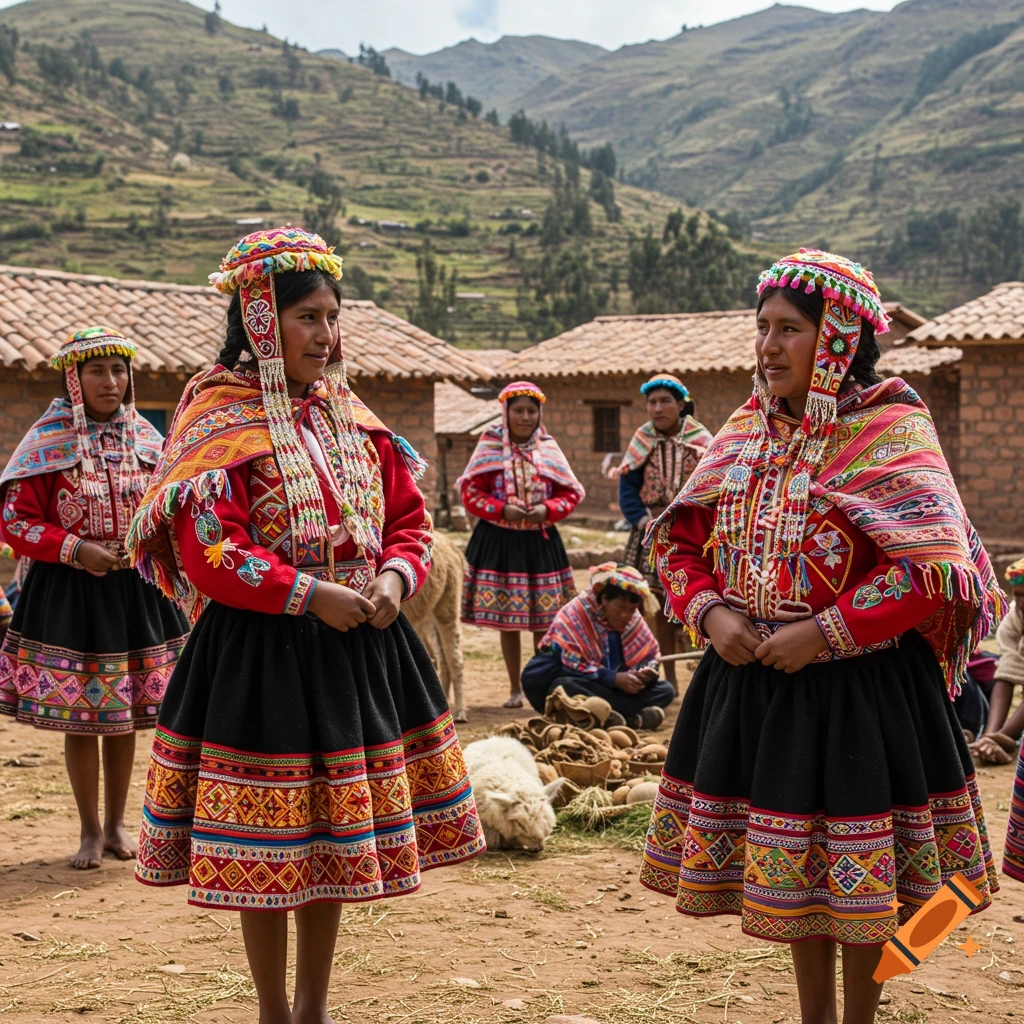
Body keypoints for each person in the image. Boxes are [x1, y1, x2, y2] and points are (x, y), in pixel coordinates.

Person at [129, 227, 485, 1024]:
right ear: (262, 318)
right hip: (261, 657)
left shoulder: (351, 417)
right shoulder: (218, 420)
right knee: (269, 846)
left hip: (357, 650)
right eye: (308, 318)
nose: (326, 335)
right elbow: (209, 548)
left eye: (333, 316)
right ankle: (271, 1010)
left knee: (329, 844)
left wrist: (396, 574)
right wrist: (308, 593)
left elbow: (410, 517)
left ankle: (315, 1008)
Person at [639, 249, 1003, 1024]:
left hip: (863, 690)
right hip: (757, 682)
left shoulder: (891, 430)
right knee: (801, 878)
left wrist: (826, 631)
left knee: (860, 881)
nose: (767, 346)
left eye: (788, 330)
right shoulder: (745, 432)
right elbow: (675, 543)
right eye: (761, 327)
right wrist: (709, 612)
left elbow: (932, 569)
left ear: (836, 337)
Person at [0, 327, 190, 869]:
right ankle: (87, 830)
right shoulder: (48, 441)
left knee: (125, 715)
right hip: (70, 594)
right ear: (73, 378)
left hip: (135, 592)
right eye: (96, 371)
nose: (110, 381)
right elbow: (15, 520)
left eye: (119, 370)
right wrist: (75, 548)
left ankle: (116, 825)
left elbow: (169, 509)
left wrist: (144, 543)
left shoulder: (149, 442)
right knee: (82, 717)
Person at [460, 381, 584, 708]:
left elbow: (570, 493)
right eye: (518, 411)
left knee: (545, 621)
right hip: (501, 543)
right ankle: (515, 688)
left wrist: (548, 509)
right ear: (506, 412)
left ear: (539, 413)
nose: (525, 417)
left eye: (531, 411)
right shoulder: (488, 445)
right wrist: (502, 510)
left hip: (540, 543)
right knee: (509, 620)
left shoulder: (549, 447)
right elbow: (470, 491)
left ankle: (539, 686)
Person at [612, 374, 713, 687]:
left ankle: (700, 677)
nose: (657, 408)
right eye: (652, 402)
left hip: (692, 532)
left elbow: (712, 481)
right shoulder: (641, 442)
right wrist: (641, 520)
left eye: (665, 401)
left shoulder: (702, 441)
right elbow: (627, 488)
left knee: (696, 598)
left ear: (681, 404)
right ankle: (666, 679)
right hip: (651, 535)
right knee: (656, 607)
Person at [521, 562, 675, 730]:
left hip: (606, 689)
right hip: (567, 683)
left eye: (632, 609)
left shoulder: (632, 618)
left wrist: (647, 673)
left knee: (665, 689)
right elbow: (572, 665)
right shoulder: (574, 614)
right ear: (603, 599)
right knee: (565, 686)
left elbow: (649, 655)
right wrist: (612, 678)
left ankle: (610, 716)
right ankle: (629, 718)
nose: (626, 615)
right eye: (621, 607)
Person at [971, 559, 1024, 764]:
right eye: (1017, 595)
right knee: (1002, 669)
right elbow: (1007, 671)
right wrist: (990, 736)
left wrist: (1002, 739)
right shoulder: (1014, 617)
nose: (1020, 602)